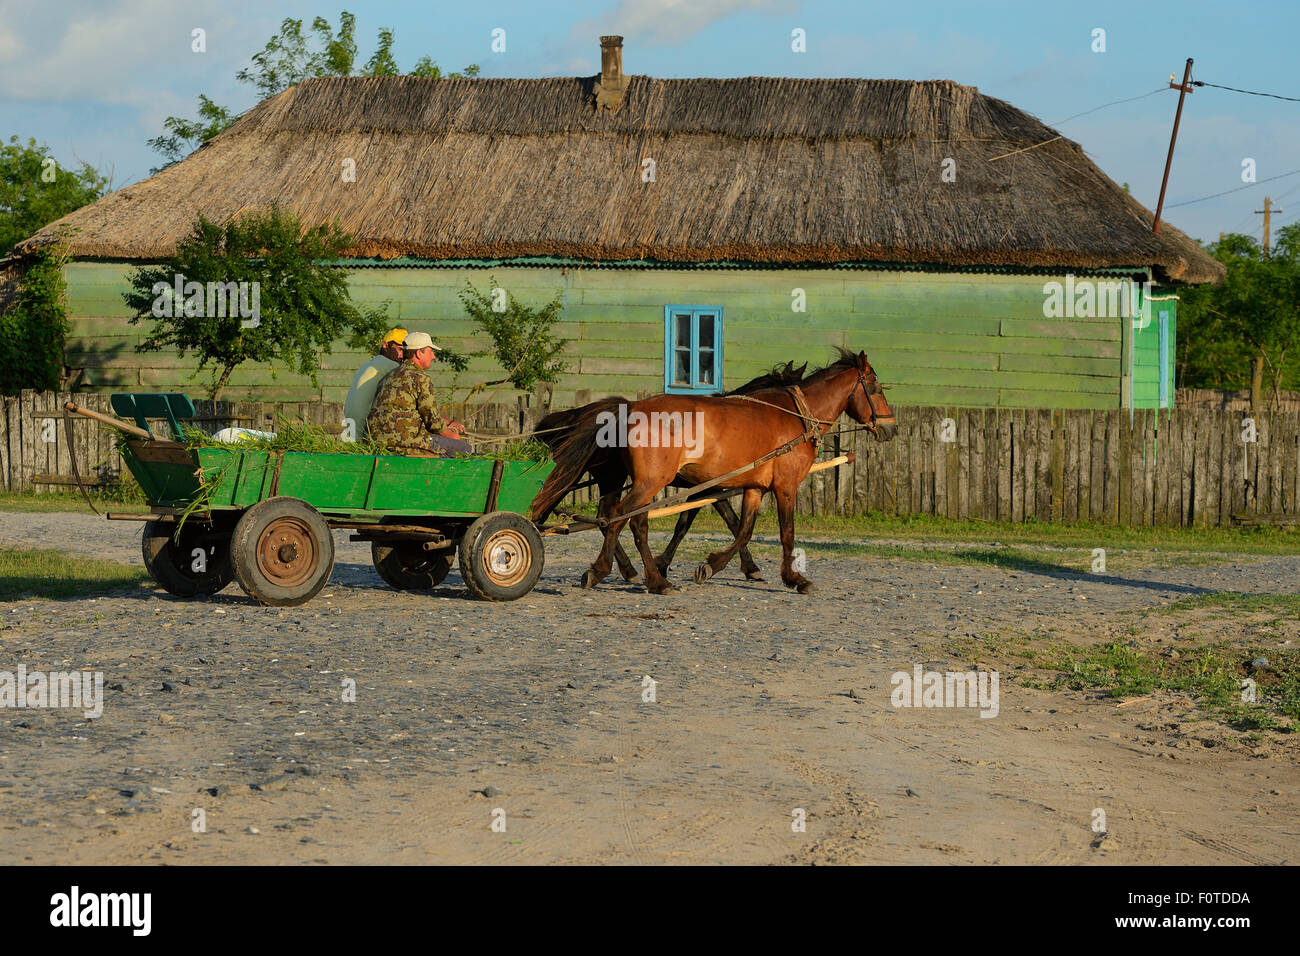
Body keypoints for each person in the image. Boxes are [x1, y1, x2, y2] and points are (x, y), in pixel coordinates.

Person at [366, 332, 470, 457]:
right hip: (406, 444)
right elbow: (433, 421)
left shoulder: (389, 376)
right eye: (430, 351)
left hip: (379, 442)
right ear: (419, 353)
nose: (433, 356)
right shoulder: (420, 378)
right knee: (463, 448)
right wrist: (452, 435)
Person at [343, 328, 407, 438]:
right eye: (400, 349)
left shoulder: (367, 365)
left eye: (405, 351)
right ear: (385, 345)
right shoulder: (393, 367)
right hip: (365, 435)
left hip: (350, 433)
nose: (402, 356)